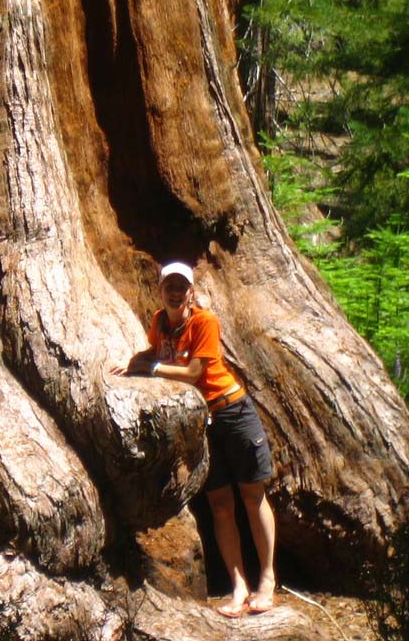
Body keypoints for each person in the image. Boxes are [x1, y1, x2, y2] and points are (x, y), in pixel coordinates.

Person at [110, 261, 276, 618]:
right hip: (201, 421)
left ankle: (267, 579)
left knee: (251, 495)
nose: (174, 291)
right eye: (169, 285)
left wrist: (151, 369)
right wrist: (133, 362)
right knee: (219, 504)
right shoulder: (159, 322)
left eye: (181, 286)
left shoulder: (204, 322)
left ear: (191, 292)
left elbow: (193, 372)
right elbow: (156, 354)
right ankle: (238, 586)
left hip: (232, 411)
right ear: (160, 289)